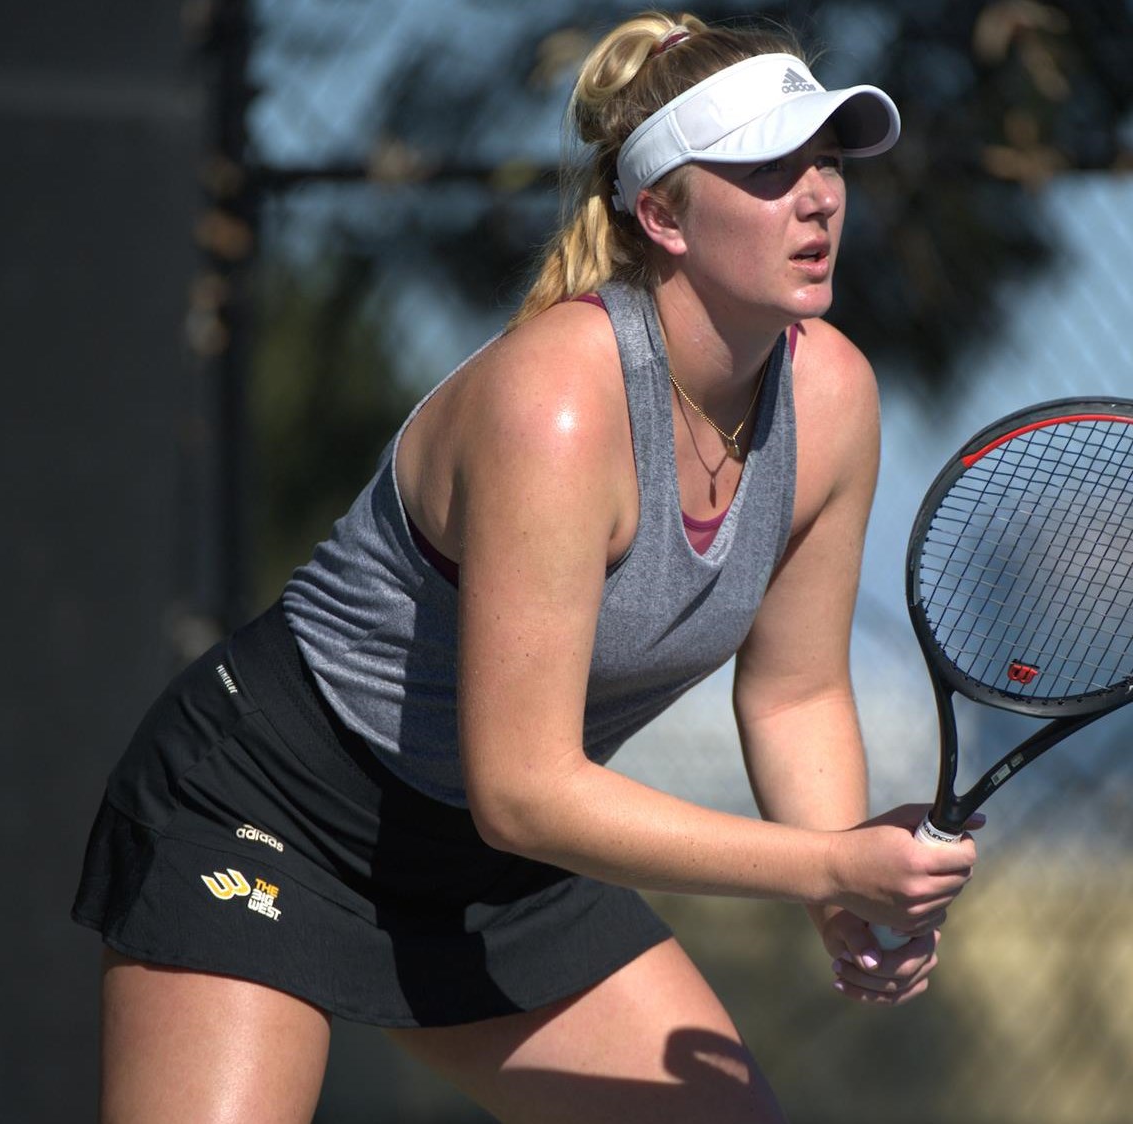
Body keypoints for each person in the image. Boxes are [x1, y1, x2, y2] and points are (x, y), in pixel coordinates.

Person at [72, 10, 981, 1122]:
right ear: (662, 214)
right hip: (270, 809)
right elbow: (523, 786)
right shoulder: (555, 404)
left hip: (489, 865)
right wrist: (826, 866)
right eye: (765, 165)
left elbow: (794, 691)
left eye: (827, 158)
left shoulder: (833, 401)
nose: (817, 194)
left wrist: (842, 886)